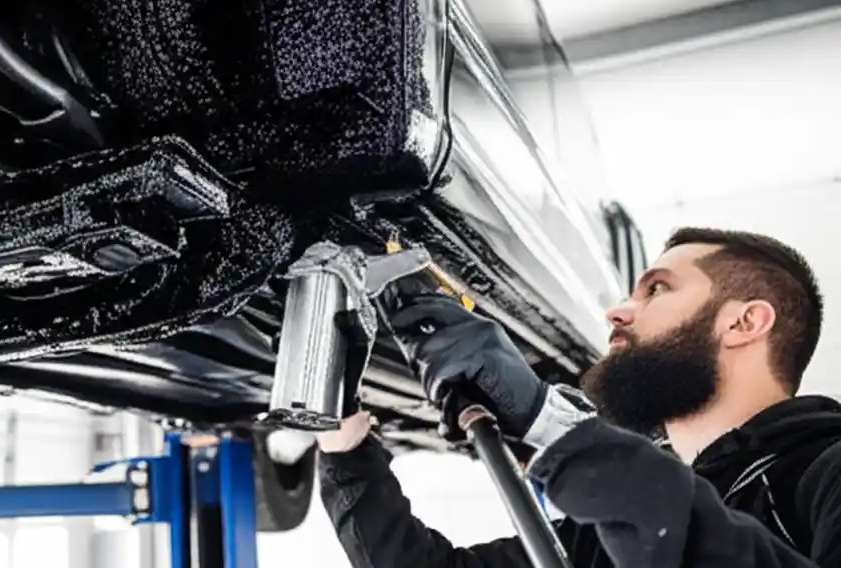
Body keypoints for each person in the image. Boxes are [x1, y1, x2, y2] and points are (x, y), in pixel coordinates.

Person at [318, 227, 841, 567]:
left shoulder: (829, 470)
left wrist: (554, 428)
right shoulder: (611, 535)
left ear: (745, 322)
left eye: (656, 289)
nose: (617, 311)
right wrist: (344, 448)